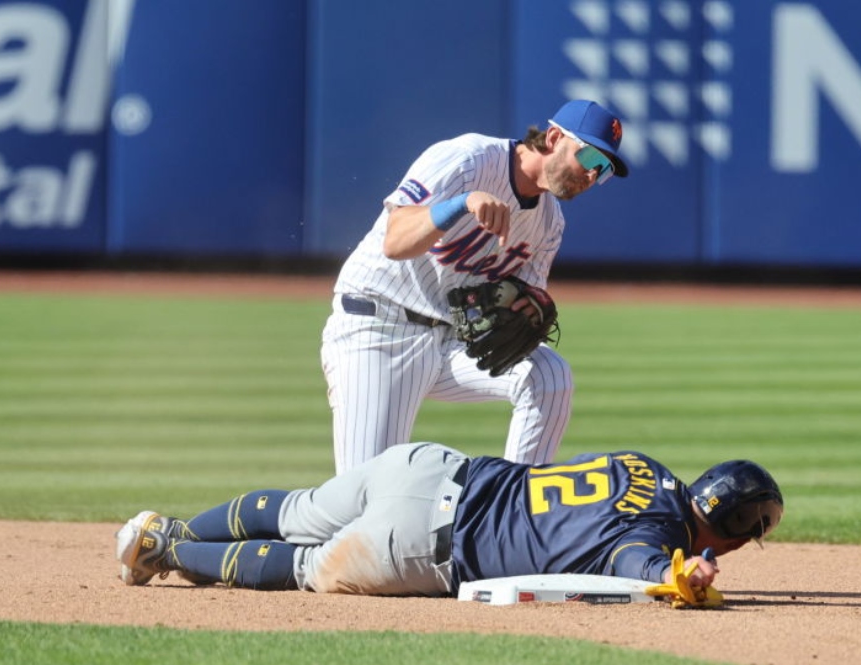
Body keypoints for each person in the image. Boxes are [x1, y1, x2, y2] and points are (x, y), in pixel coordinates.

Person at [322, 99, 629, 473]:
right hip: (378, 326)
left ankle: (516, 514)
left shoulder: (549, 224)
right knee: (360, 498)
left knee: (548, 376)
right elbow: (395, 241)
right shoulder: (469, 160)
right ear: (553, 138)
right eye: (592, 160)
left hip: (449, 344)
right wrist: (461, 204)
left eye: (605, 172)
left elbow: (522, 305)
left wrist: (529, 308)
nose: (593, 177)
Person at [114, 442, 783, 597]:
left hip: (428, 465)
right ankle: (166, 550)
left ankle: (171, 523)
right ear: (736, 530)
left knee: (294, 508)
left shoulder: (642, 463)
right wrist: (689, 578)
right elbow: (654, 578)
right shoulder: (656, 539)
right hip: (425, 544)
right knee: (306, 566)